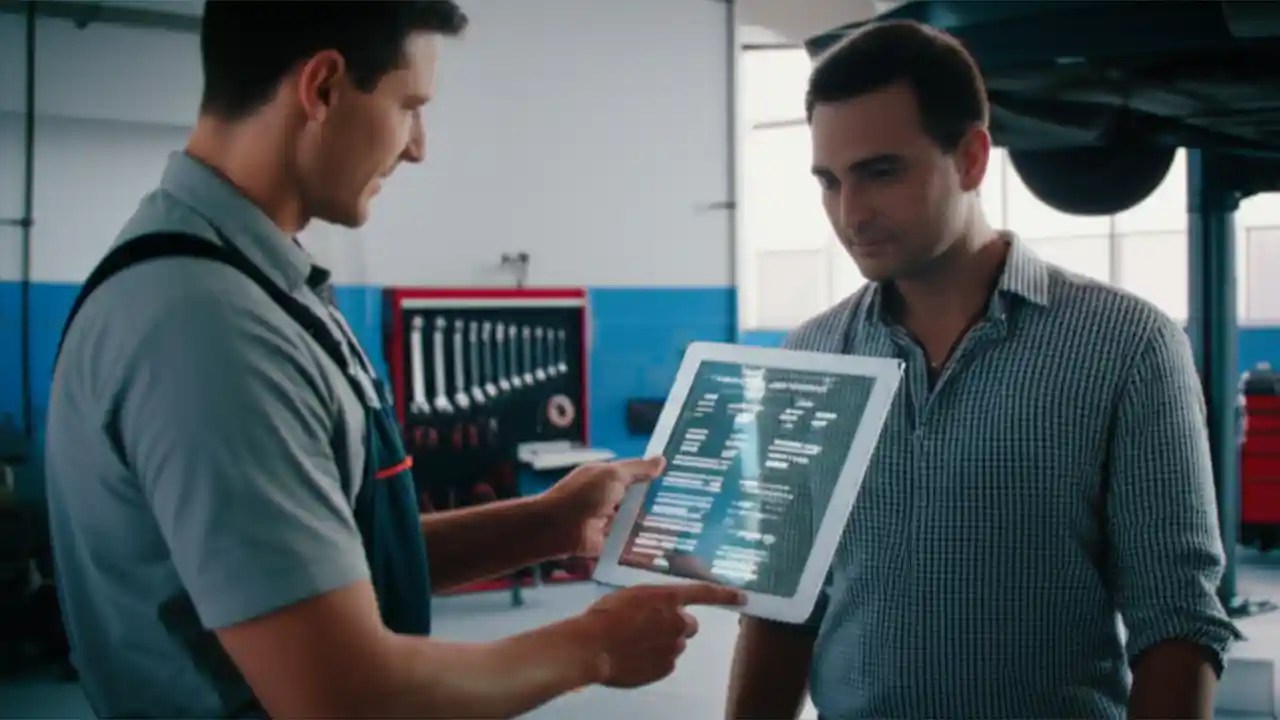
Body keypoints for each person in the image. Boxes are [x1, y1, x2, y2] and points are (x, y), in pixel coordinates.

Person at [43, 2, 745, 718]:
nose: (418, 148)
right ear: (322, 87)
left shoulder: (248, 286)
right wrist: (594, 647)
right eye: (410, 107)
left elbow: (325, 564)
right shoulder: (209, 327)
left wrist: (547, 522)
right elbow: (344, 695)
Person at [725, 19, 1243, 720]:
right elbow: (780, 609)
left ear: (971, 159)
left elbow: (1176, 622)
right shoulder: (811, 358)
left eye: (881, 172)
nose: (851, 214)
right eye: (830, 181)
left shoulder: (1126, 345)